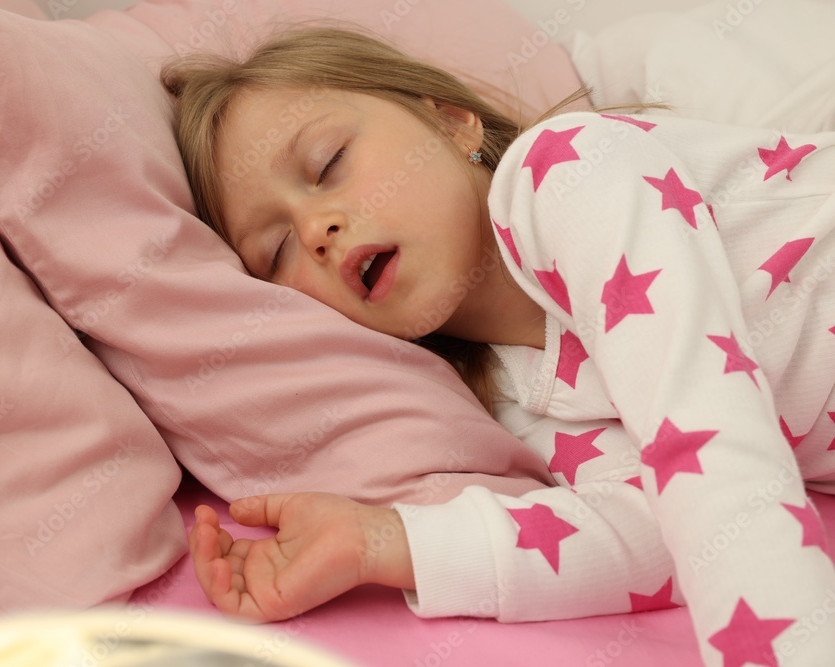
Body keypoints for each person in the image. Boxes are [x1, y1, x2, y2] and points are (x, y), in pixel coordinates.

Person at [163, 26, 835, 666]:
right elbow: (670, 531)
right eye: (277, 251)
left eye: (328, 162)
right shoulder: (516, 399)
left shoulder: (568, 173)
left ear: (454, 122)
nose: (316, 227)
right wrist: (382, 541)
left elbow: (711, 443)